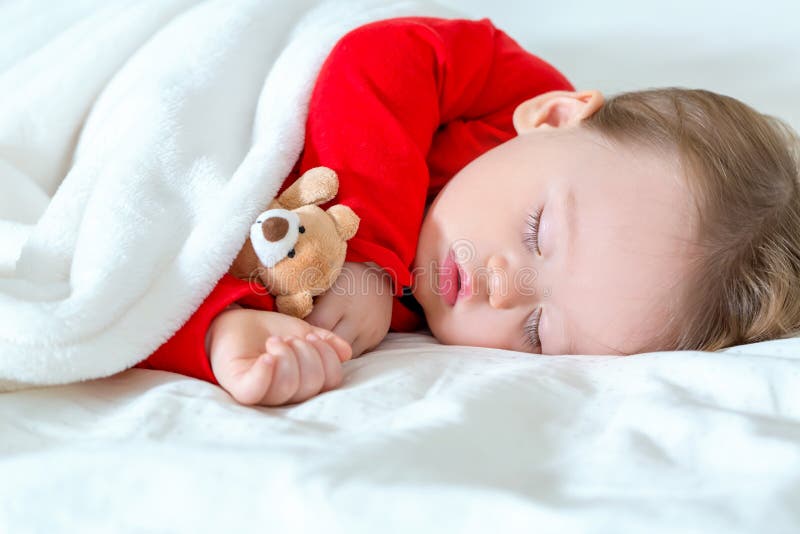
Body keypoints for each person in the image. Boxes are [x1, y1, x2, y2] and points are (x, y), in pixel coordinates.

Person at [135, 16, 800, 407]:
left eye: (539, 331)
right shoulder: (502, 95)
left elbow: (138, 287)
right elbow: (380, 53)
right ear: (555, 117)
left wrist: (221, 334)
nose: (504, 289)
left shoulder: (402, 309)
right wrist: (371, 253)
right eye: (538, 232)